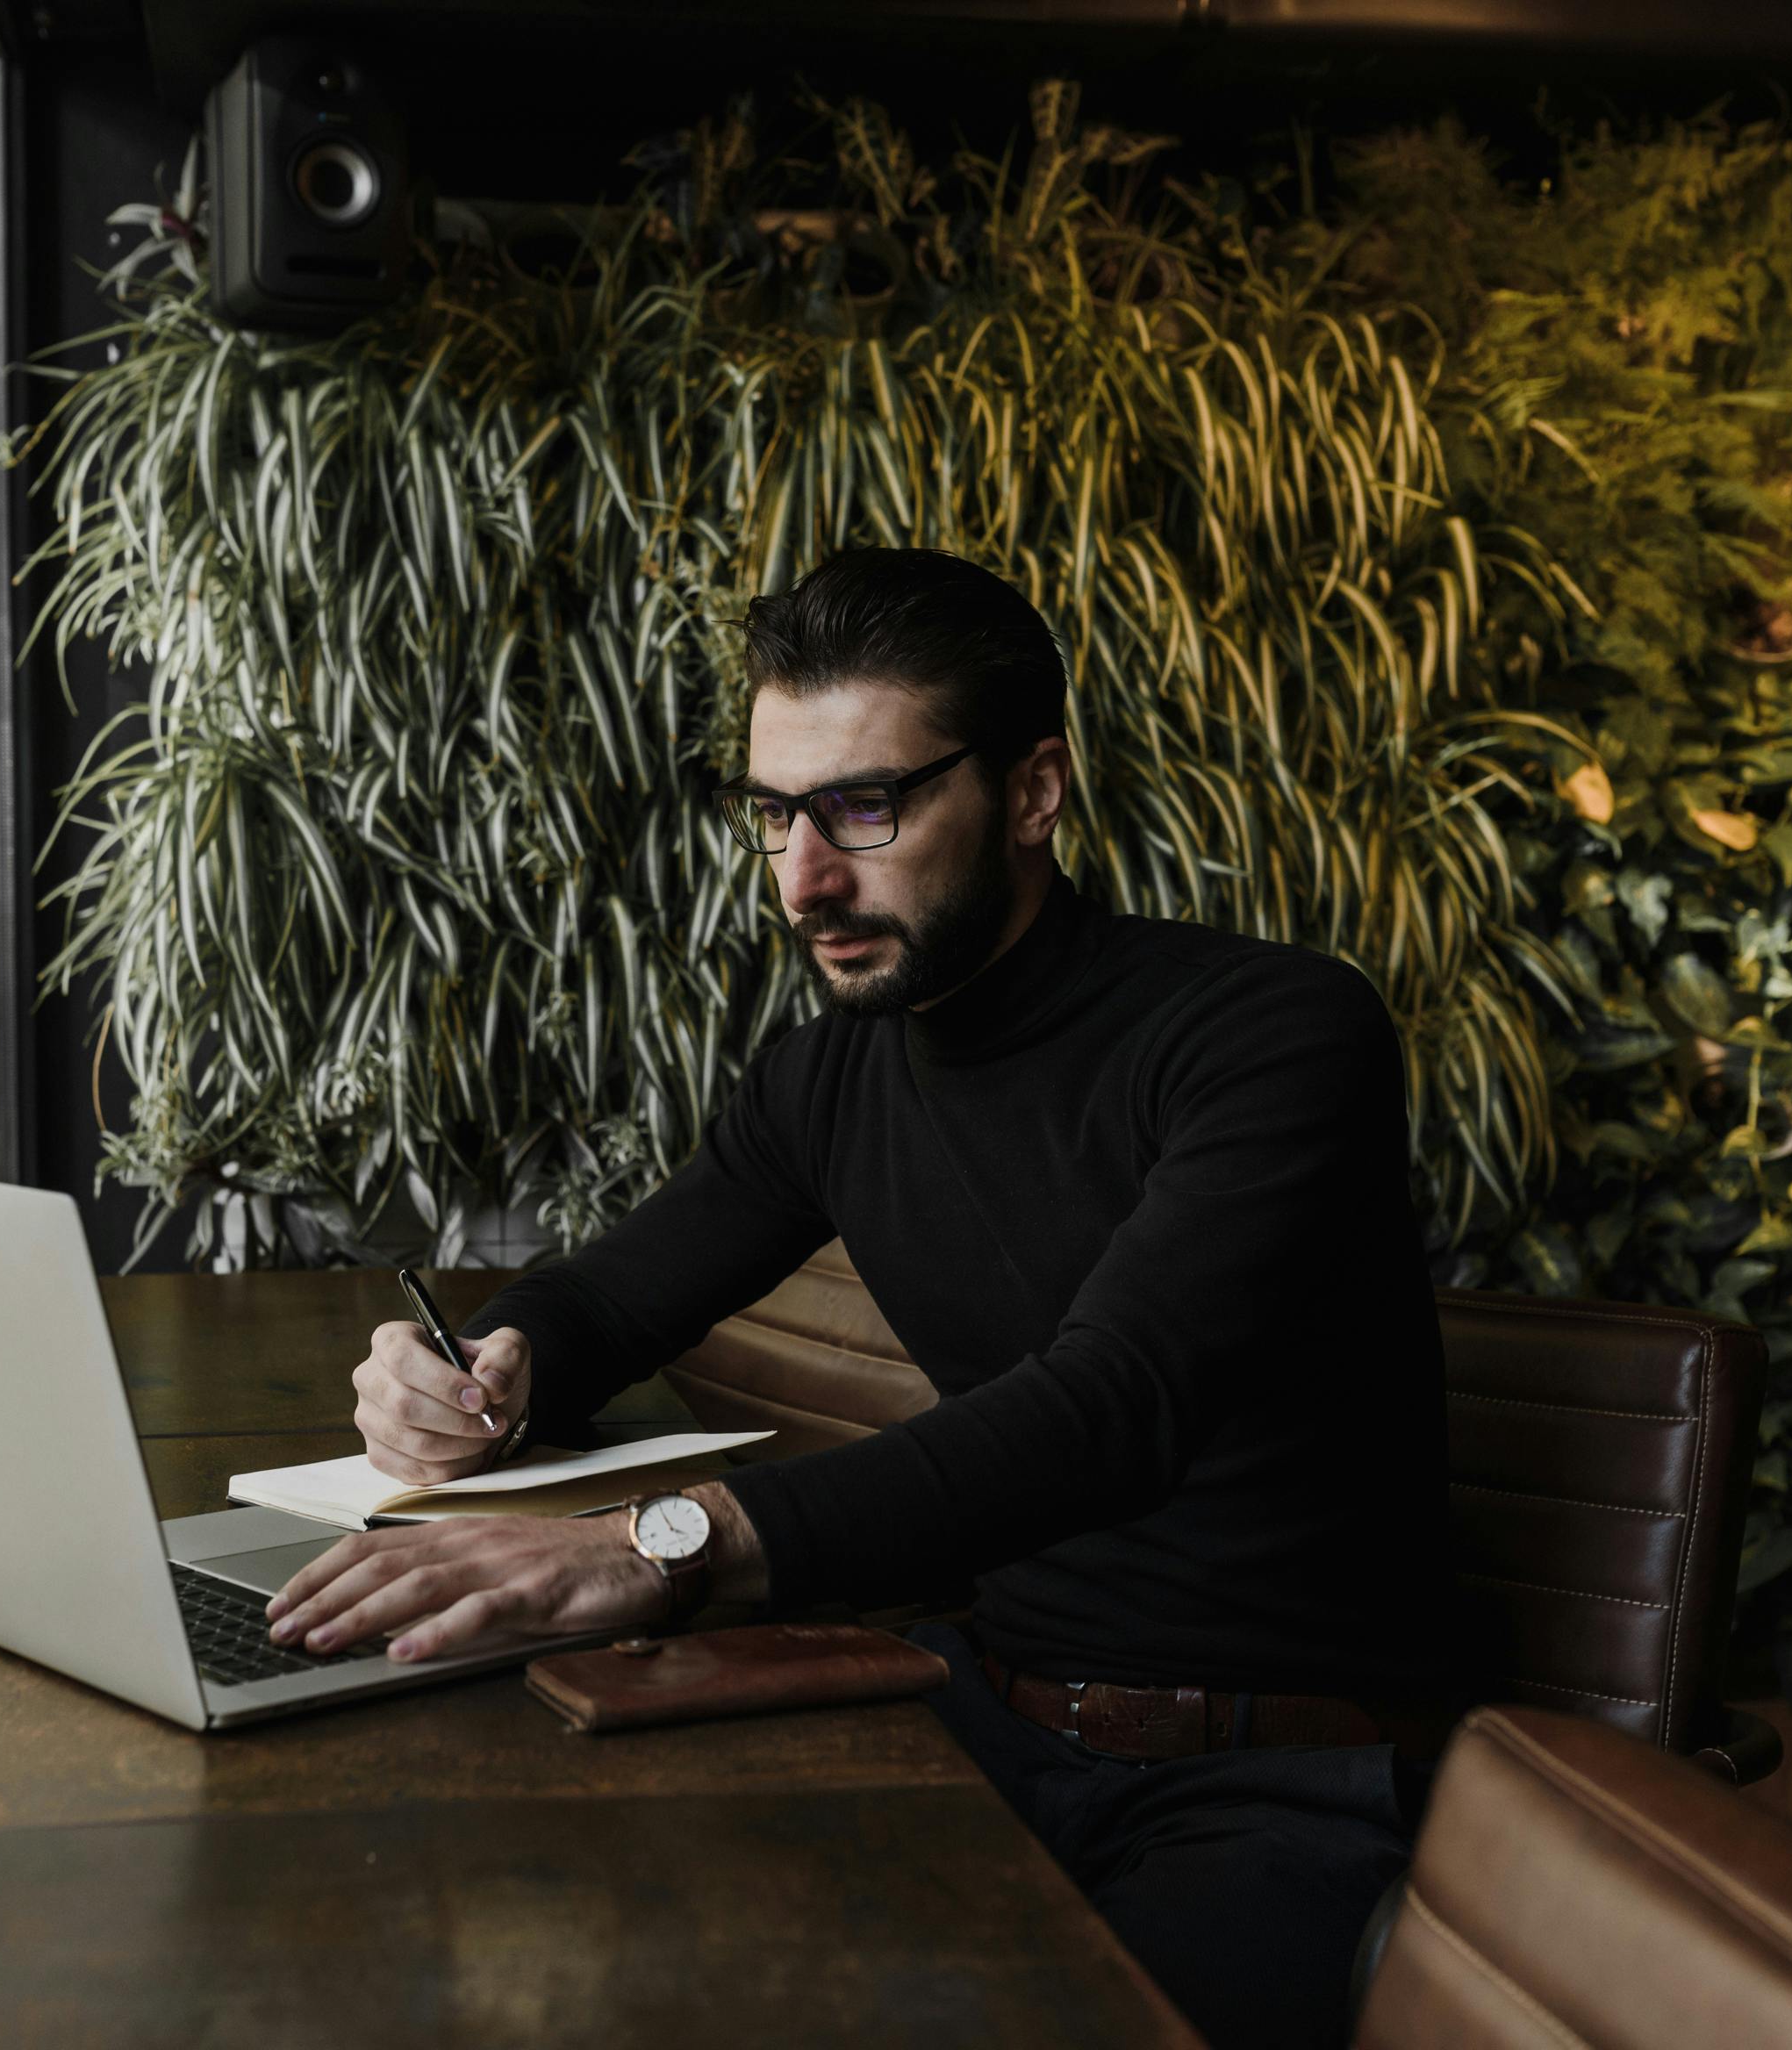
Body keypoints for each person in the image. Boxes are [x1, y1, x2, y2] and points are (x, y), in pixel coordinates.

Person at [265, 546, 1469, 2046]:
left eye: (866, 808)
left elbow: (1116, 1411)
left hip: (1271, 1782)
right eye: (775, 814)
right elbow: (620, 1292)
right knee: (545, 1937)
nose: (804, 878)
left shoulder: (1272, 1033)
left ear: (1032, 792)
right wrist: (486, 1369)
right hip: (961, 1712)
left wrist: (665, 1545)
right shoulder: (828, 1075)